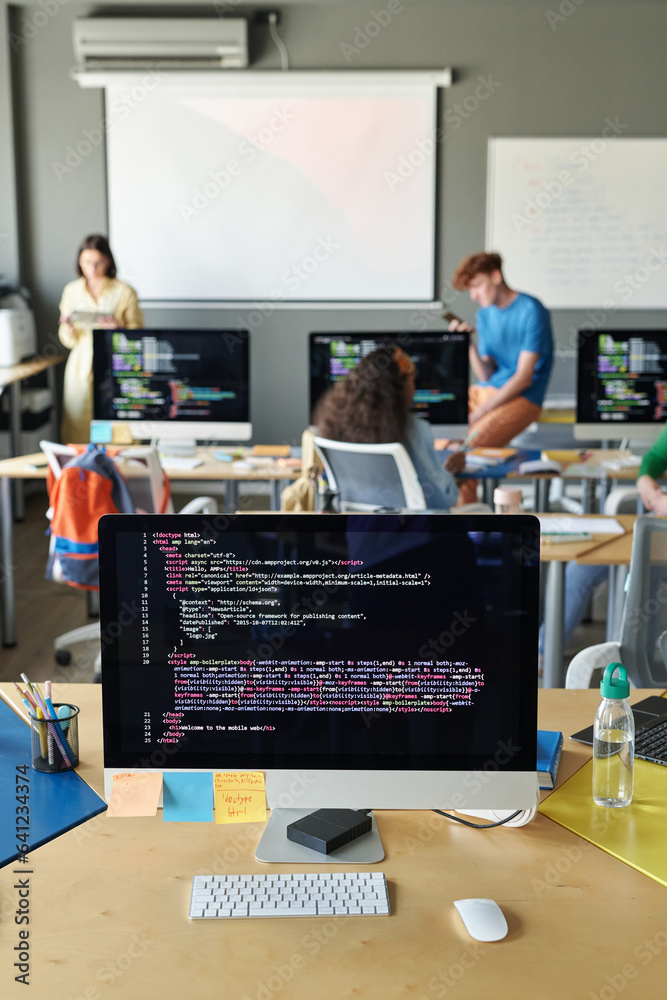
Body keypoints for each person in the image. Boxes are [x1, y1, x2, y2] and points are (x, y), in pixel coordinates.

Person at [449, 251, 554, 504]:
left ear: (496, 276)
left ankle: (464, 529)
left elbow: (523, 378)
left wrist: (479, 412)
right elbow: (486, 373)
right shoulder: (484, 314)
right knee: (442, 439)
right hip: (488, 390)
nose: (474, 295)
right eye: (470, 290)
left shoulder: (531, 309)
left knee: (466, 452)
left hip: (523, 397)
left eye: (477, 285)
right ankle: (452, 521)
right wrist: (468, 343)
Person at [313, 345, 460, 510]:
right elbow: (439, 501)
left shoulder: (333, 422)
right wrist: (448, 471)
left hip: (358, 531)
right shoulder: (414, 429)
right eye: (412, 381)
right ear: (400, 387)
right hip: (414, 532)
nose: (414, 389)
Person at [58, 234, 143, 443]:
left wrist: (118, 329)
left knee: (119, 425)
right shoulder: (72, 290)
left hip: (117, 362)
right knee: (79, 422)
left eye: (98, 262)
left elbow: (138, 333)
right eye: (87, 262)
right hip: (81, 364)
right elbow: (67, 341)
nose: (93, 268)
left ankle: (118, 471)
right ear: (80, 262)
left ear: (108, 261)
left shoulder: (124, 291)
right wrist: (68, 329)